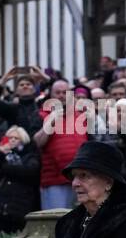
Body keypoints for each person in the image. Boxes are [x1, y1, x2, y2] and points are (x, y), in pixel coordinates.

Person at [0, 126, 40, 235]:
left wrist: (5, 168)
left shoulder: (30, 156)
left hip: (20, 205)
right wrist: (0, 153)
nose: (12, 140)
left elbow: (30, 172)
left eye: (16, 138)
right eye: (10, 137)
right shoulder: (2, 156)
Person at [35, 79, 87, 210]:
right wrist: (51, 119)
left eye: (65, 92)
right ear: (51, 96)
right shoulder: (42, 115)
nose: (62, 95)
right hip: (55, 180)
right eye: (57, 93)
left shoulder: (82, 116)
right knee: (56, 222)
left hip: (82, 178)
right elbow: (37, 142)